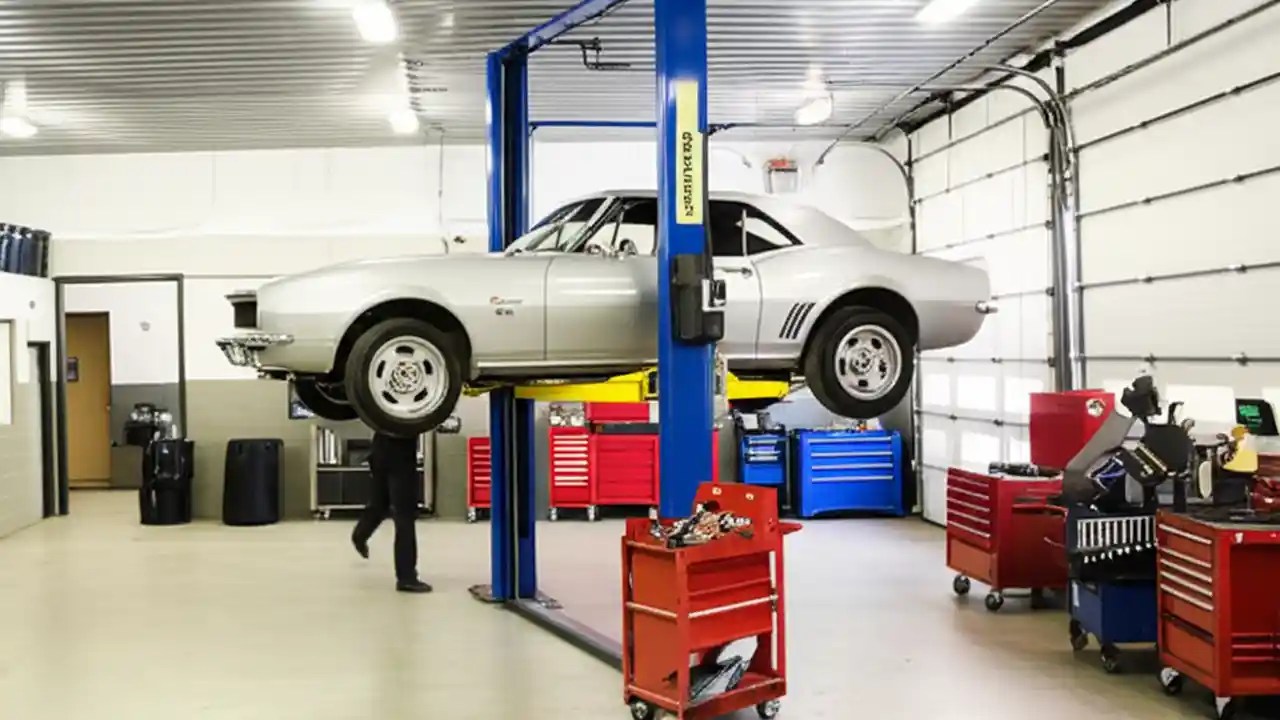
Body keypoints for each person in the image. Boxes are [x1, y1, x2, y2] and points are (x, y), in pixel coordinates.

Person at [351, 432, 432, 593]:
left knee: (379, 504)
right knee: (405, 515)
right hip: (401, 453)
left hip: (379, 450)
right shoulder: (408, 408)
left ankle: (360, 534)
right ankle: (406, 577)